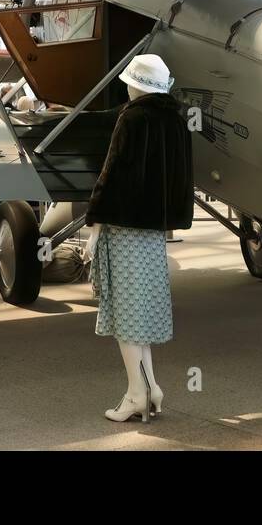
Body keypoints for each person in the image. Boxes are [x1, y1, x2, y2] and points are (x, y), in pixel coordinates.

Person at [85, 53, 194, 422]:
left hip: (123, 229)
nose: (127, 88)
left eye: (130, 82)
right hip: (153, 235)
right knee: (140, 313)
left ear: (139, 84)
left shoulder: (132, 118)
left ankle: (137, 394)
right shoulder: (177, 122)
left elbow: (112, 174)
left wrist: (94, 226)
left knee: (124, 315)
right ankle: (151, 388)